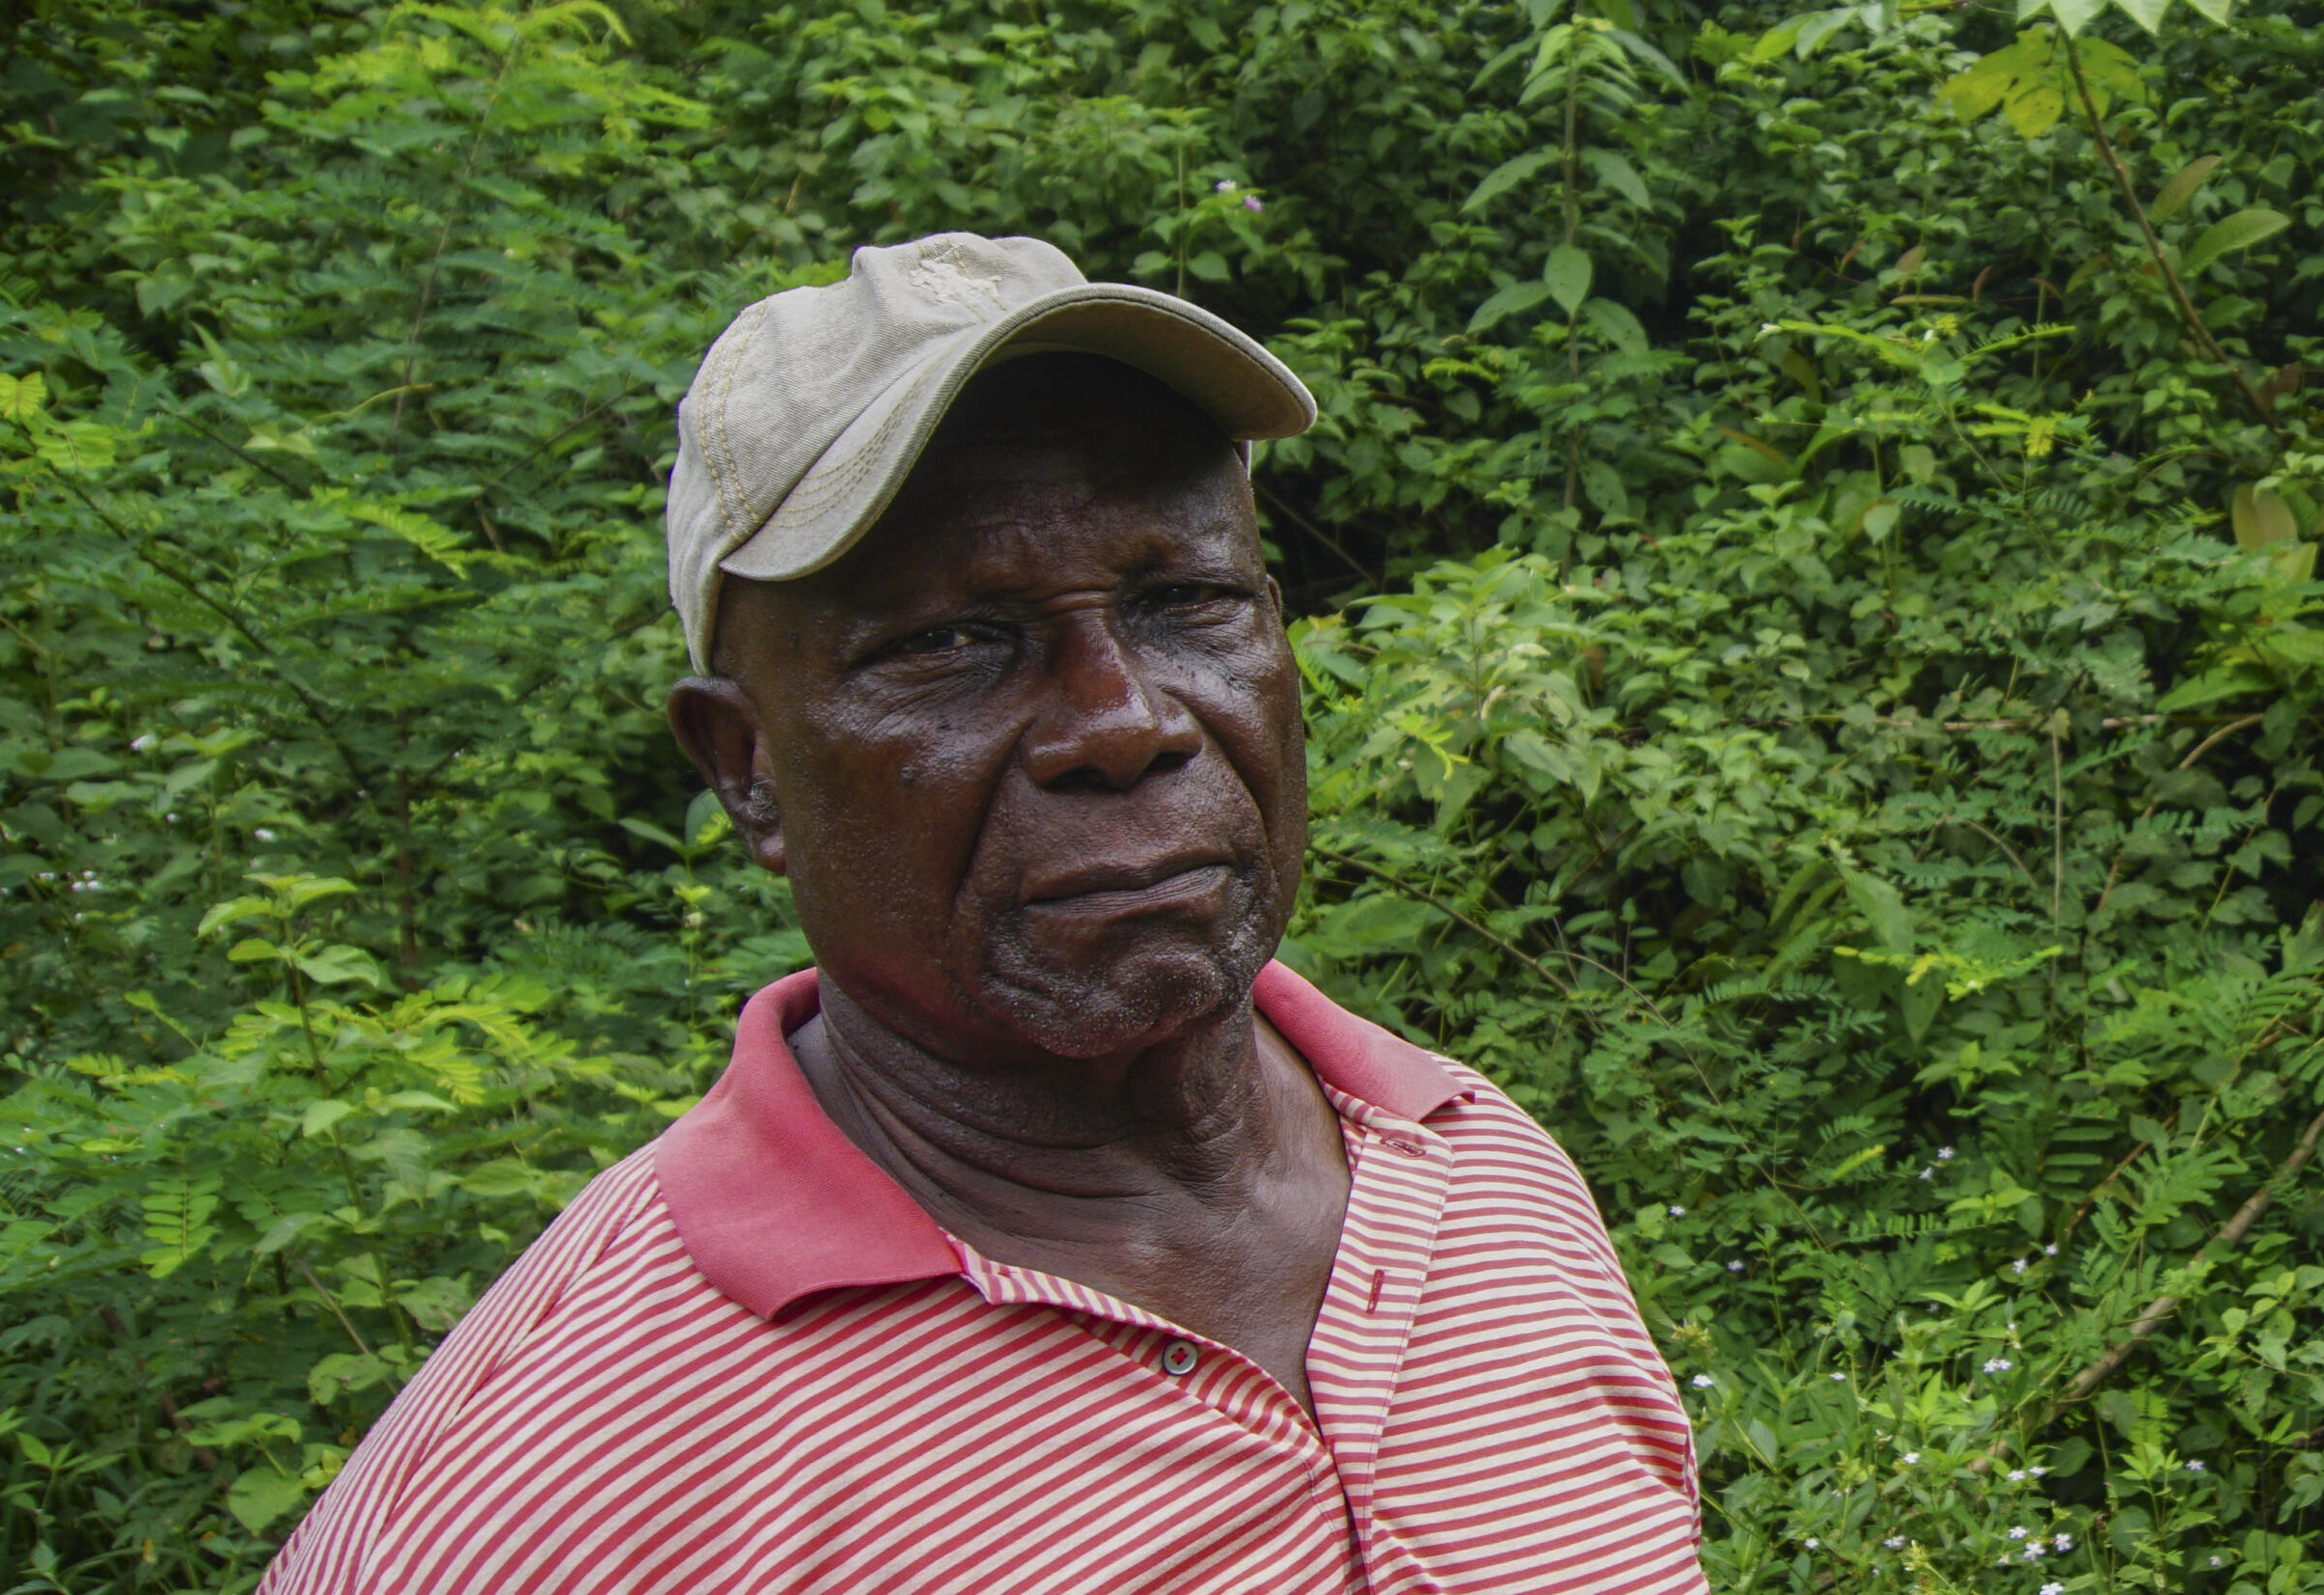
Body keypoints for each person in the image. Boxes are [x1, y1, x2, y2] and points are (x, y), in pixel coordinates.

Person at [260, 233, 1708, 1595]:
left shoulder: (1475, 1174)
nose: (1122, 719)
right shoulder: (552, 1492)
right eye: (955, 640)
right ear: (747, 769)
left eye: (1184, 598)